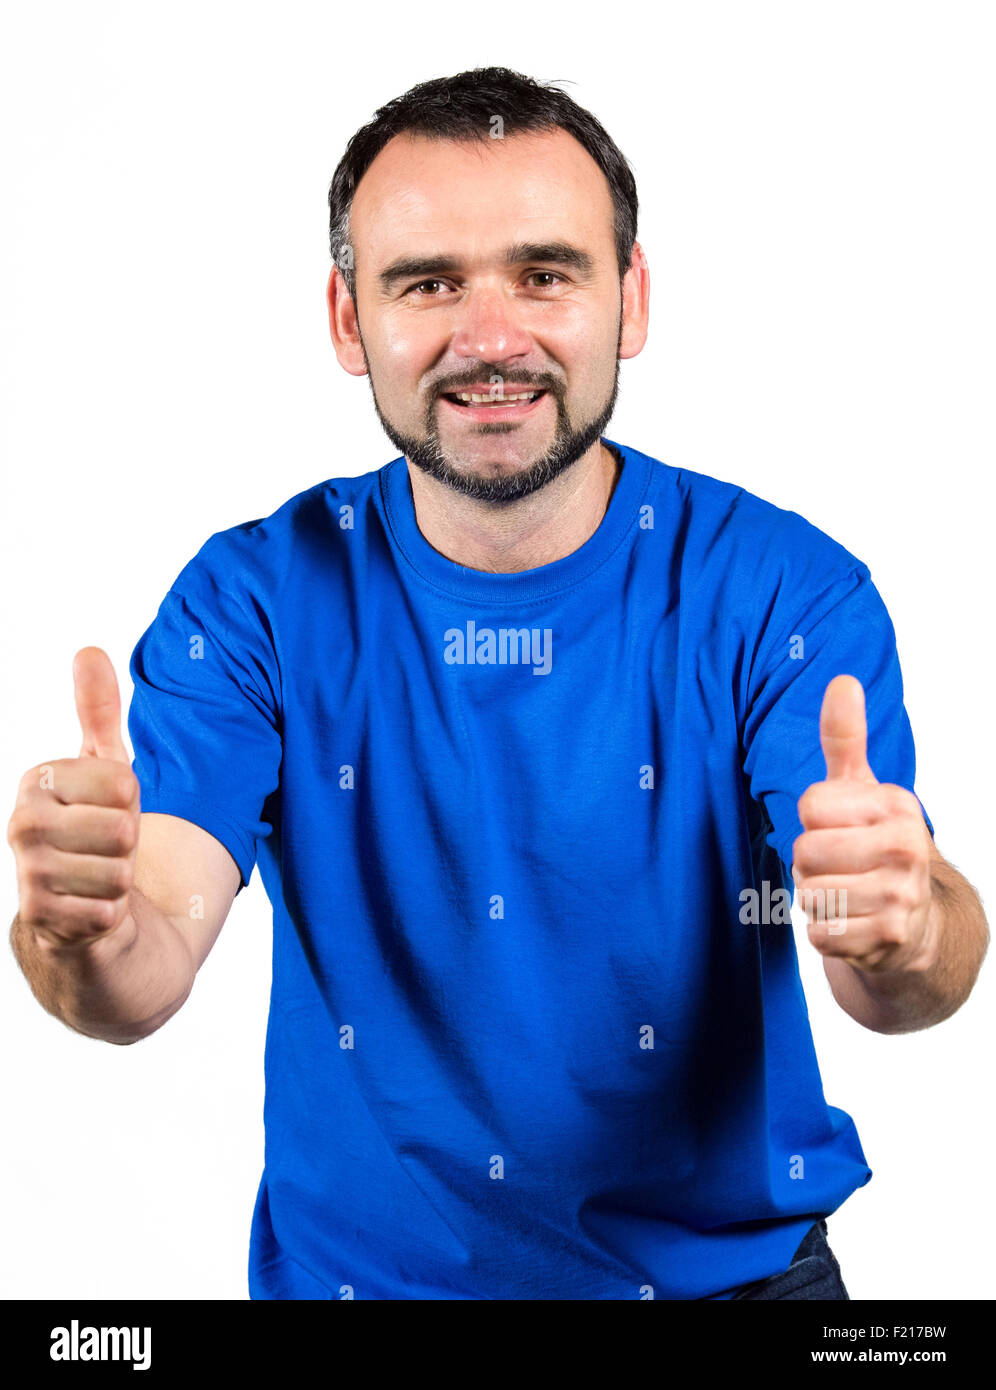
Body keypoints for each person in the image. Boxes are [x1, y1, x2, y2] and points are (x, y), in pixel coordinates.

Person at [7, 67, 988, 1302]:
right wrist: (77, 926)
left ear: (629, 299)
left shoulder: (782, 592)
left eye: (545, 273)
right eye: (428, 283)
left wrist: (904, 924)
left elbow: (904, 969)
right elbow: (138, 965)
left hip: (733, 1289)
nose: (490, 337)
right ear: (347, 317)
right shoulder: (252, 604)